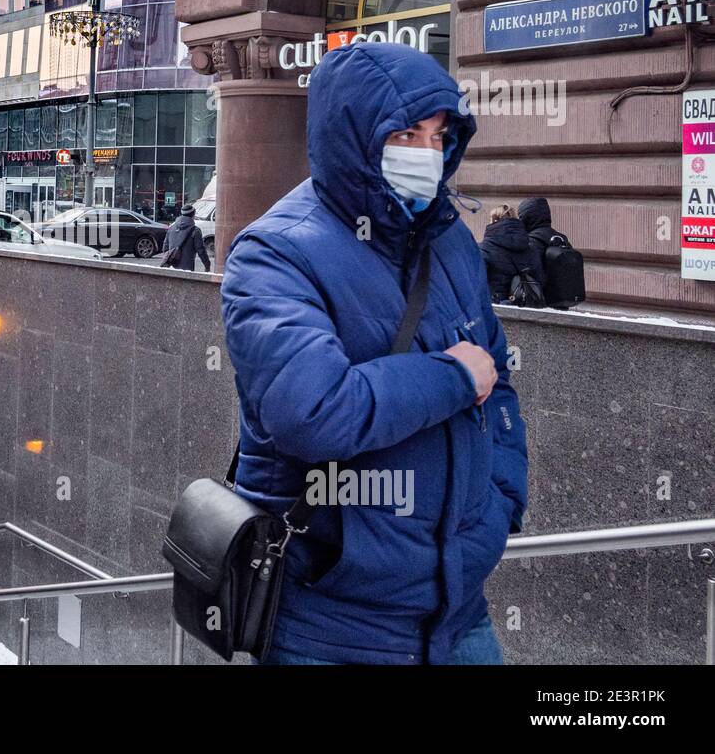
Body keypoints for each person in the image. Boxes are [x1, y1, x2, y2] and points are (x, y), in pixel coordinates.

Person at [221, 42, 527, 665]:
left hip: (460, 609)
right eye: (405, 135)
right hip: (332, 625)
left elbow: (497, 377)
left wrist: (500, 505)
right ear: (353, 136)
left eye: (439, 136)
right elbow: (314, 412)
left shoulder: (449, 242)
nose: (426, 155)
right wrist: (451, 377)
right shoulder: (276, 254)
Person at [479, 204, 544, 305]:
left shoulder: (484, 247)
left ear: (493, 221)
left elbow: (478, 282)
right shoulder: (530, 247)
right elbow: (540, 280)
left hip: (498, 307)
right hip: (527, 305)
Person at [160, 203, 211, 272]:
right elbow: (201, 251)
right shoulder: (195, 230)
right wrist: (207, 265)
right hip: (187, 269)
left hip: (171, 267)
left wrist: (171, 257)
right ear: (193, 215)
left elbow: (165, 248)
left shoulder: (171, 228)